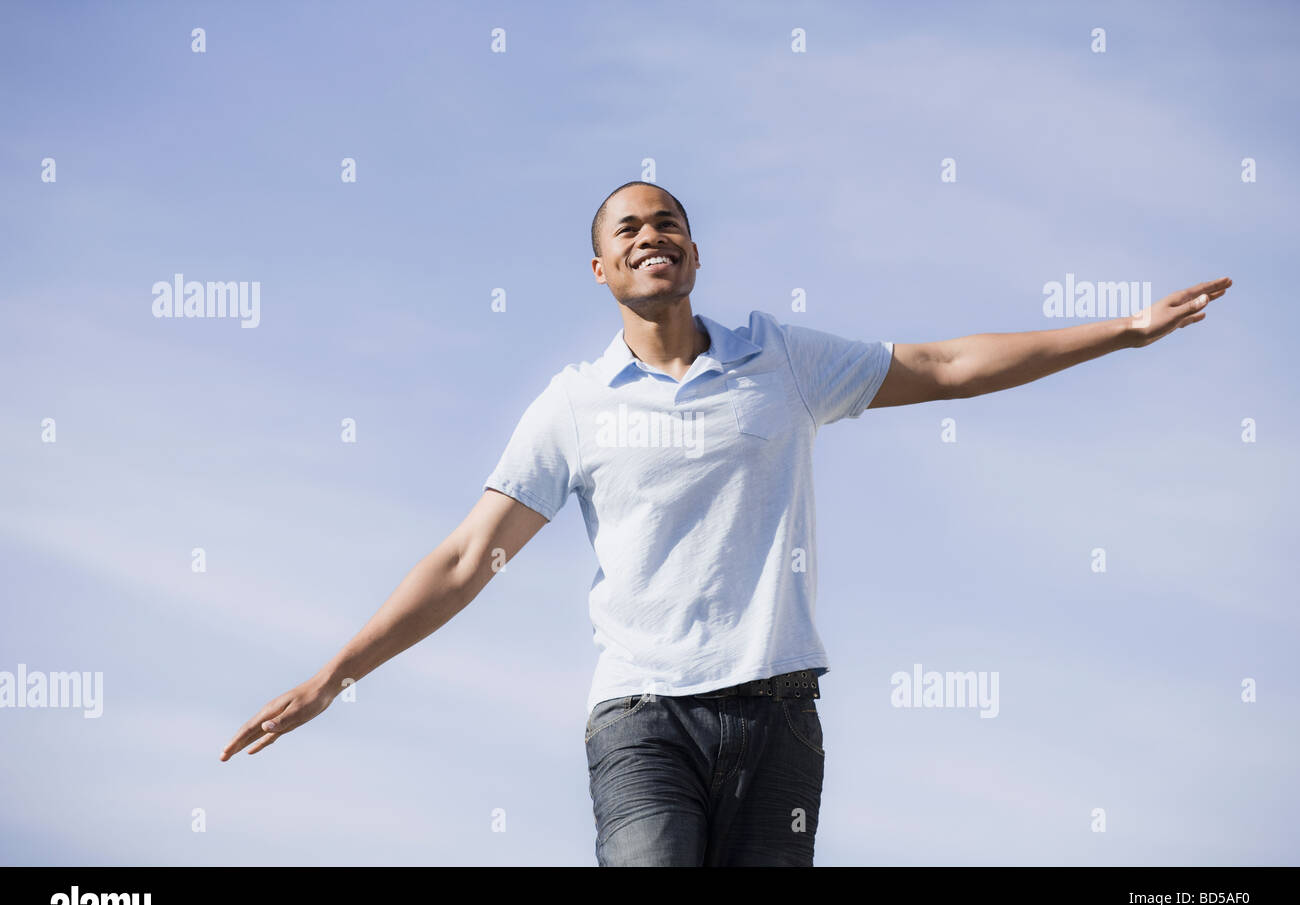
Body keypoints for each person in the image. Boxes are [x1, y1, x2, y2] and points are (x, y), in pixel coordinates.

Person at [220, 180, 1232, 866]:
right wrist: (333, 673)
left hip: (779, 714)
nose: (651, 235)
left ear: (692, 251)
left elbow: (945, 367)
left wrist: (1126, 330)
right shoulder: (573, 404)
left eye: (668, 223)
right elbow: (464, 556)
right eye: (628, 229)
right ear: (600, 270)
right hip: (643, 715)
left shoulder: (778, 359)